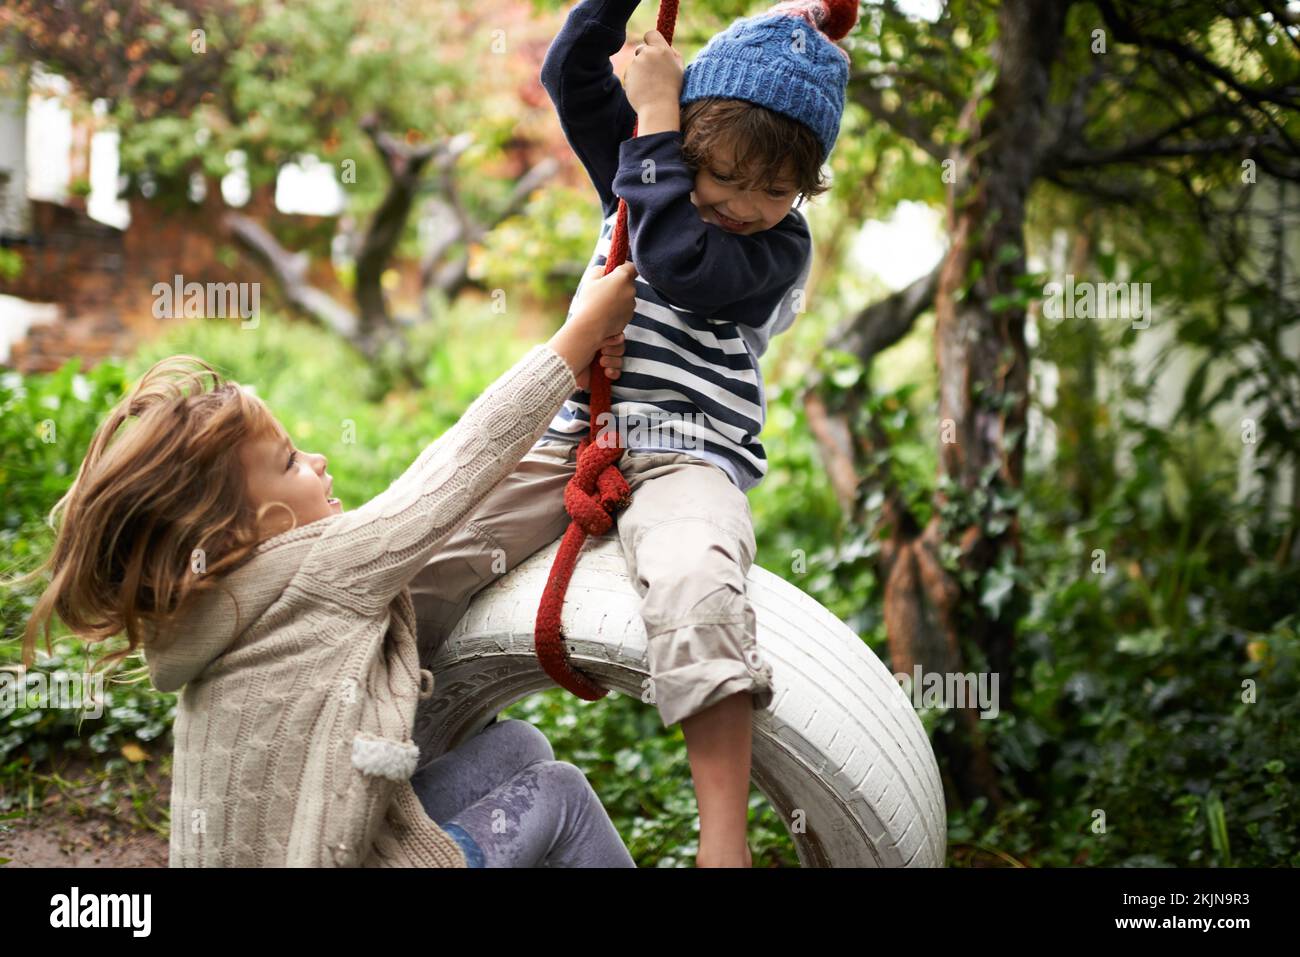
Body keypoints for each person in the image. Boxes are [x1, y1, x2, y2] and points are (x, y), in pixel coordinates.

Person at [408, 0, 858, 867]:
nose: (749, 203)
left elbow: (677, 256)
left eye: (779, 187)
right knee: (435, 552)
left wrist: (656, 118)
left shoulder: (777, 250)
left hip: (692, 452)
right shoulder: (646, 161)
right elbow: (570, 73)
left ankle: (724, 841)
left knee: (700, 585)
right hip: (581, 437)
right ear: (693, 141)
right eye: (726, 174)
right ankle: (403, 754)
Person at [14, 260, 641, 868]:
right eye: (289, 462)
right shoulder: (314, 569)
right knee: (558, 795)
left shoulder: (215, 605)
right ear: (255, 530)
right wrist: (576, 337)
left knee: (519, 747)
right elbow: (452, 472)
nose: (315, 460)